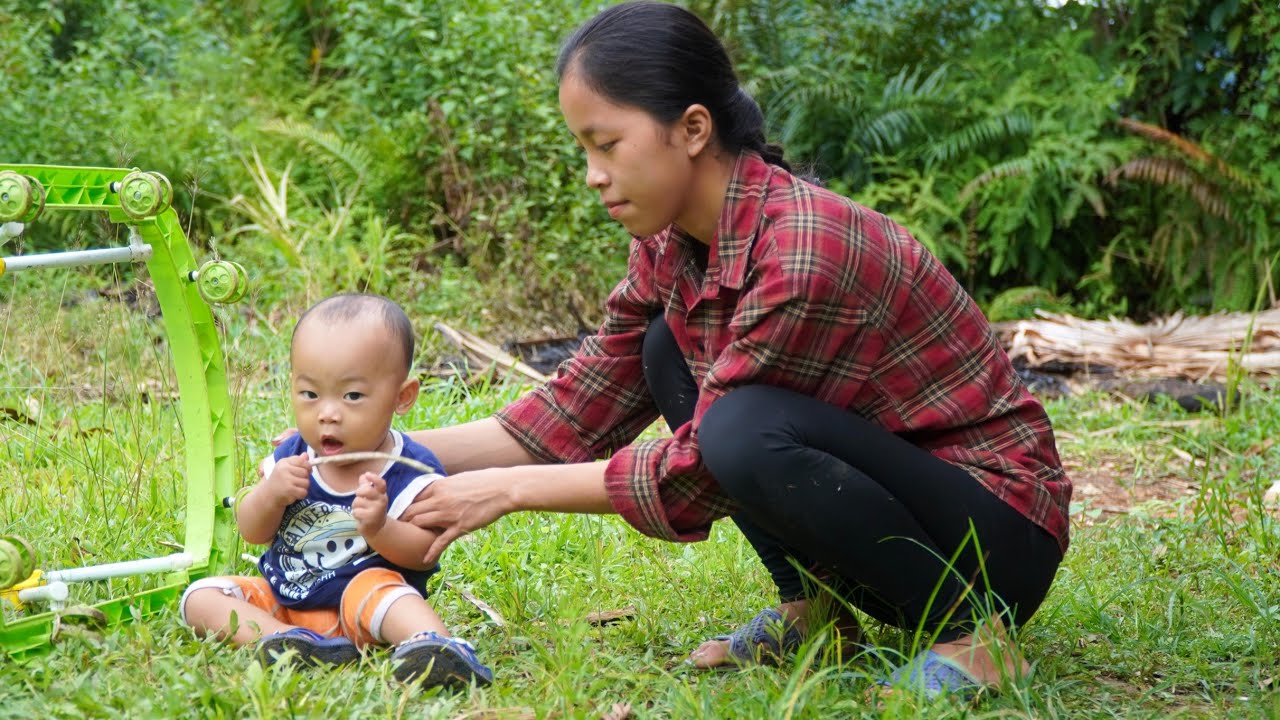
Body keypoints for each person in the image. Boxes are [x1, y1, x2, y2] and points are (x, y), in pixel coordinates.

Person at [320, 1, 1065, 701]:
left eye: (606, 145)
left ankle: (973, 639)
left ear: (694, 128)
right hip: (900, 509)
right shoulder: (672, 246)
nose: (593, 175)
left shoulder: (803, 249)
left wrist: (509, 493)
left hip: (995, 534)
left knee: (739, 428)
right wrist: (370, 455)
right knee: (663, 348)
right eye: (584, 149)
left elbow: (702, 468)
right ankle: (817, 616)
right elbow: (575, 409)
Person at [181, 294, 492, 689]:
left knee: (387, 593)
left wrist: (379, 526)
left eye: (353, 396)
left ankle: (435, 647)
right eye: (310, 394)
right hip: (285, 601)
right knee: (200, 596)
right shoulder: (292, 457)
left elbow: (423, 552)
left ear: (402, 397)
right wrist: (270, 494)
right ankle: (284, 643)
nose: (327, 412)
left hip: (362, 606)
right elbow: (253, 532)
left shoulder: (408, 469)